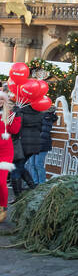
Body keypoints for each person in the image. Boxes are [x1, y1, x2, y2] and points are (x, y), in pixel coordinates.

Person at [0, 93, 21, 224]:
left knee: (1, 181)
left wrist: (18, 116)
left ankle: (3, 207)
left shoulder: (10, 114)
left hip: (5, 152)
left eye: (2, 99)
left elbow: (15, 130)